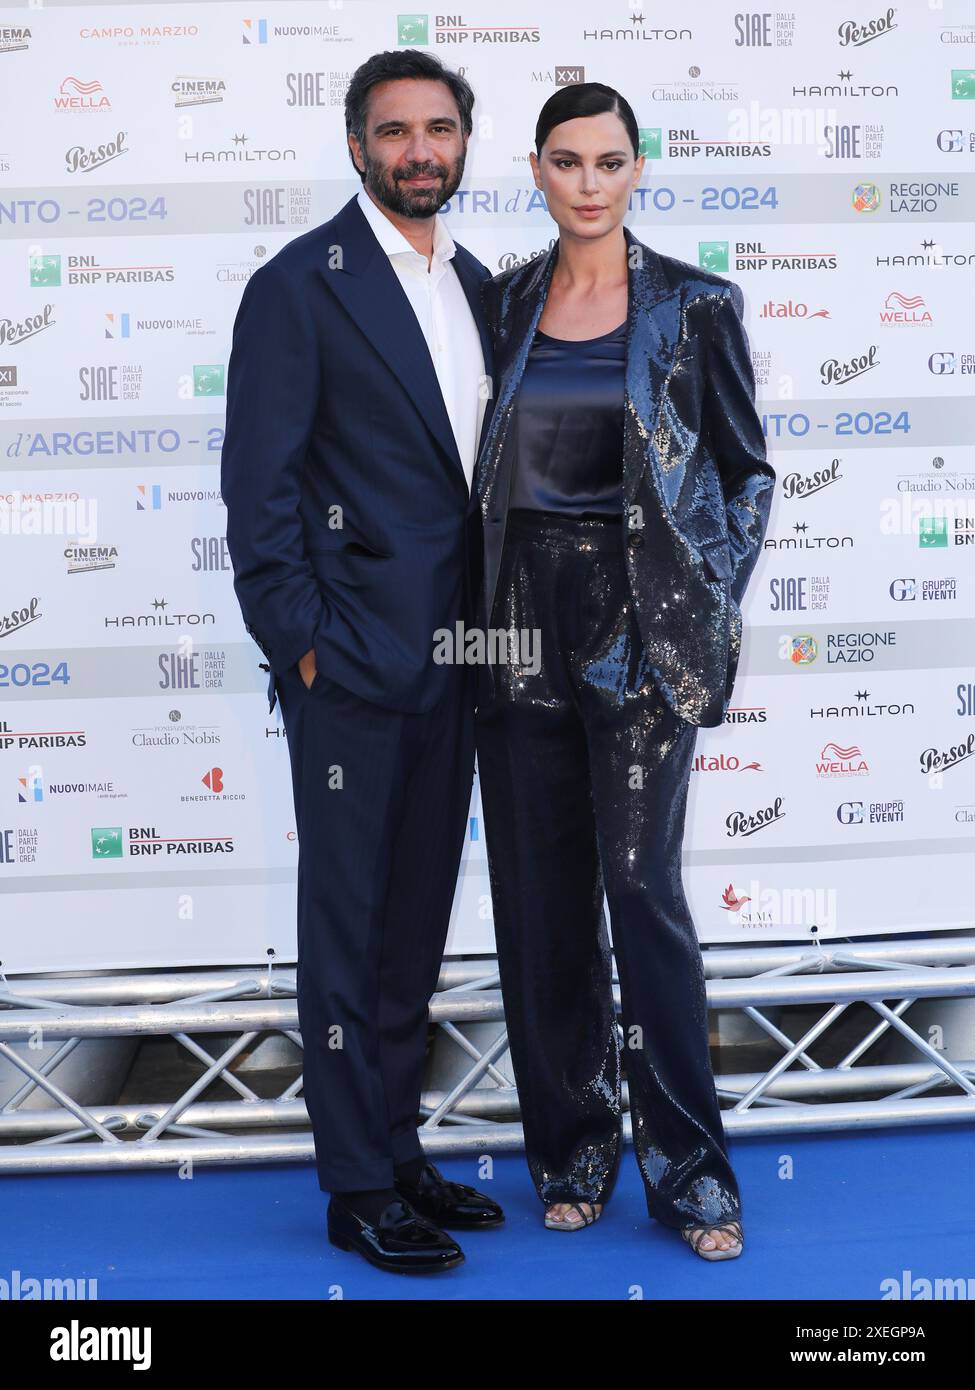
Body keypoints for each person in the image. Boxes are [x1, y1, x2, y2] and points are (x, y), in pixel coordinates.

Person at [473, 82, 775, 1260]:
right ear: (536, 171)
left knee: (641, 896)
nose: (589, 183)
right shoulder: (502, 302)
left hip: (639, 616)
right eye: (566, 162)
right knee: (541, 905)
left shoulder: (697, 306)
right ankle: (572, 1147)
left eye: (609, 161)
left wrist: (700, 595)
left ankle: (694, 1173)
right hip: (512, 621)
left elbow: (747, 472)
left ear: (637, 167)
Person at [221, 49, 504, 1275]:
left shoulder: (484, 284)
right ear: (356, 147)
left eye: (440, 129)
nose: (420, 150)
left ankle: (398, 1147)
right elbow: (259, 488)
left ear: (463, 143)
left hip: (462, 658)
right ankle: (350, 1182)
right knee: (347, 926)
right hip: (350, 663)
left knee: (415, 926)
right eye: (396, 132)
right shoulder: (300, 287)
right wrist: (300, 646)